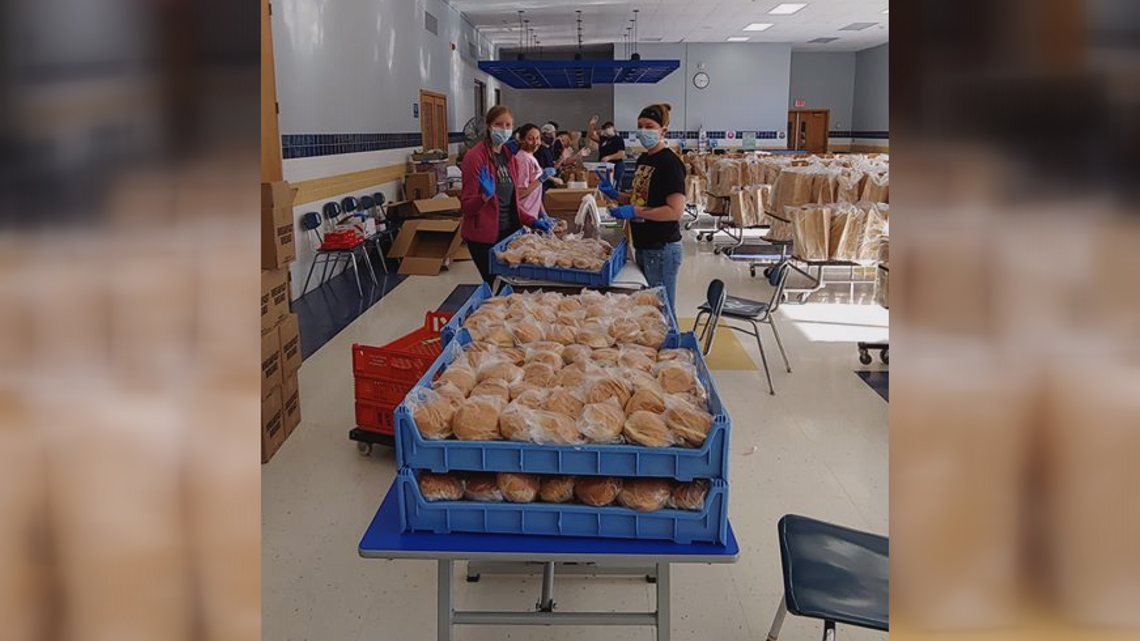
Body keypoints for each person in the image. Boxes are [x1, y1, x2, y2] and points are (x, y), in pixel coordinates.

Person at [595, 103, 686, 312]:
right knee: (648, 309)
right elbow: (640, 198)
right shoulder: (644, 159)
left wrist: (635, 211)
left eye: (649, 126)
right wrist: (615, 194)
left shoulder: (670, 163)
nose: (643, 131)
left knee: (660, 312)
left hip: (662, 247)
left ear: (663, 131)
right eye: (640, 126)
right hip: (644, 245)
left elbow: (675, 211)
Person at [460, 106, 554, 284]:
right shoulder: (475, 158)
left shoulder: (508, 156)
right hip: (485, 238)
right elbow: (466, 207)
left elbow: (512, 202)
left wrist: (531, 220)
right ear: (488, 126)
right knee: (496, 285)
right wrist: (484, 197)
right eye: (499, 124)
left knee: (512, 285)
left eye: (508, 125)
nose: (504, 129)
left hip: (509, 234)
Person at [512, 123, 557, 222]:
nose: (535, 142)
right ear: (522, 140)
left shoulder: (530, 157)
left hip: (532, 214)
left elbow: (535, 191)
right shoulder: (523, 159)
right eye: (530, 139)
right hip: (524, 214)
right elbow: (520, 193)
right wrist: (541, 179)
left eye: (537, 138)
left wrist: (544, 214)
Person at [587, 115, 626, 189]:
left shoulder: (618, 139)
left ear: (613, 128)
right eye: (605, 128)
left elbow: (621, 154)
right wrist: (592, 124)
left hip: (616, 165)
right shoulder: (603, 139)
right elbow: (591, 136)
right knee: (602, 183)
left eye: (609, 127)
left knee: (614, 185)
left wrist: (609, 157)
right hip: (603, 166)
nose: (607, 129)